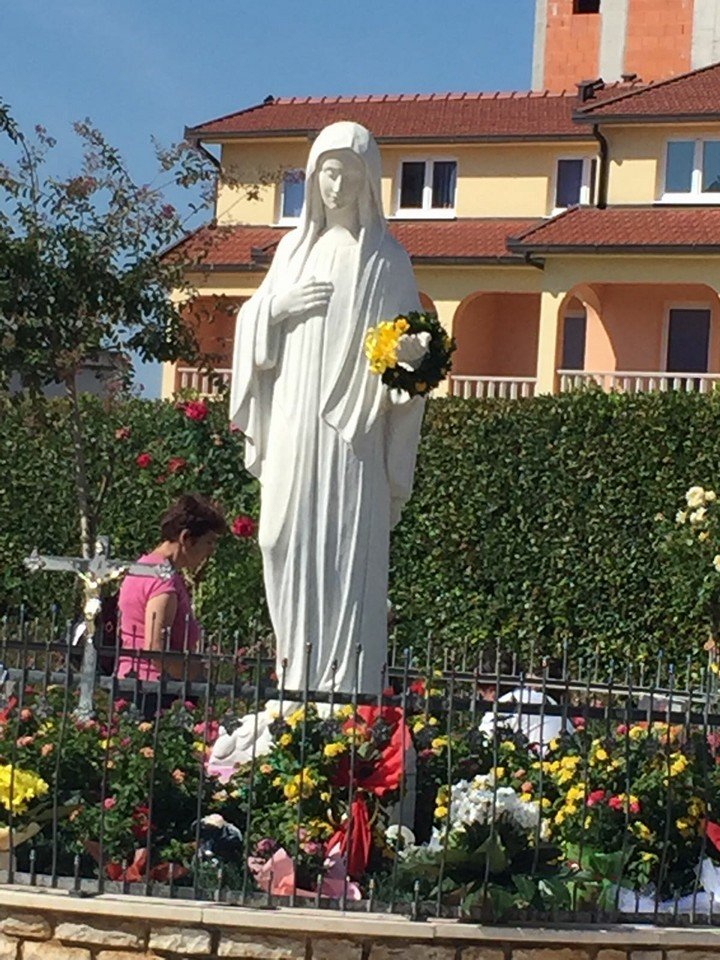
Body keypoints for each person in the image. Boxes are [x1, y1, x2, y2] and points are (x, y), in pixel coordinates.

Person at [229, 121, 425, 699]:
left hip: (352, 435)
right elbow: (251, 322)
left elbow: (411, 348)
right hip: (293, 415)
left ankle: (342, 689)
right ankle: (295, 676)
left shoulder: (387, 261)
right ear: (314, 179)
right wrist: (277, 309)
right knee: (277, 537)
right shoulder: (293, 248)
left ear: (370, 180)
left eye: (349, 173)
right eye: (328, 173)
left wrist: (411, 362)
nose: (337, 185)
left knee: (346, 549)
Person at [116, 494, 227, 684]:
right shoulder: (162, 581)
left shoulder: (142, 567)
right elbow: (156, 648)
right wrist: (196, 672)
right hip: (153, 687)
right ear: (186, 538)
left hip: (133, 679)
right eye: (208, 542)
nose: (210, 551)